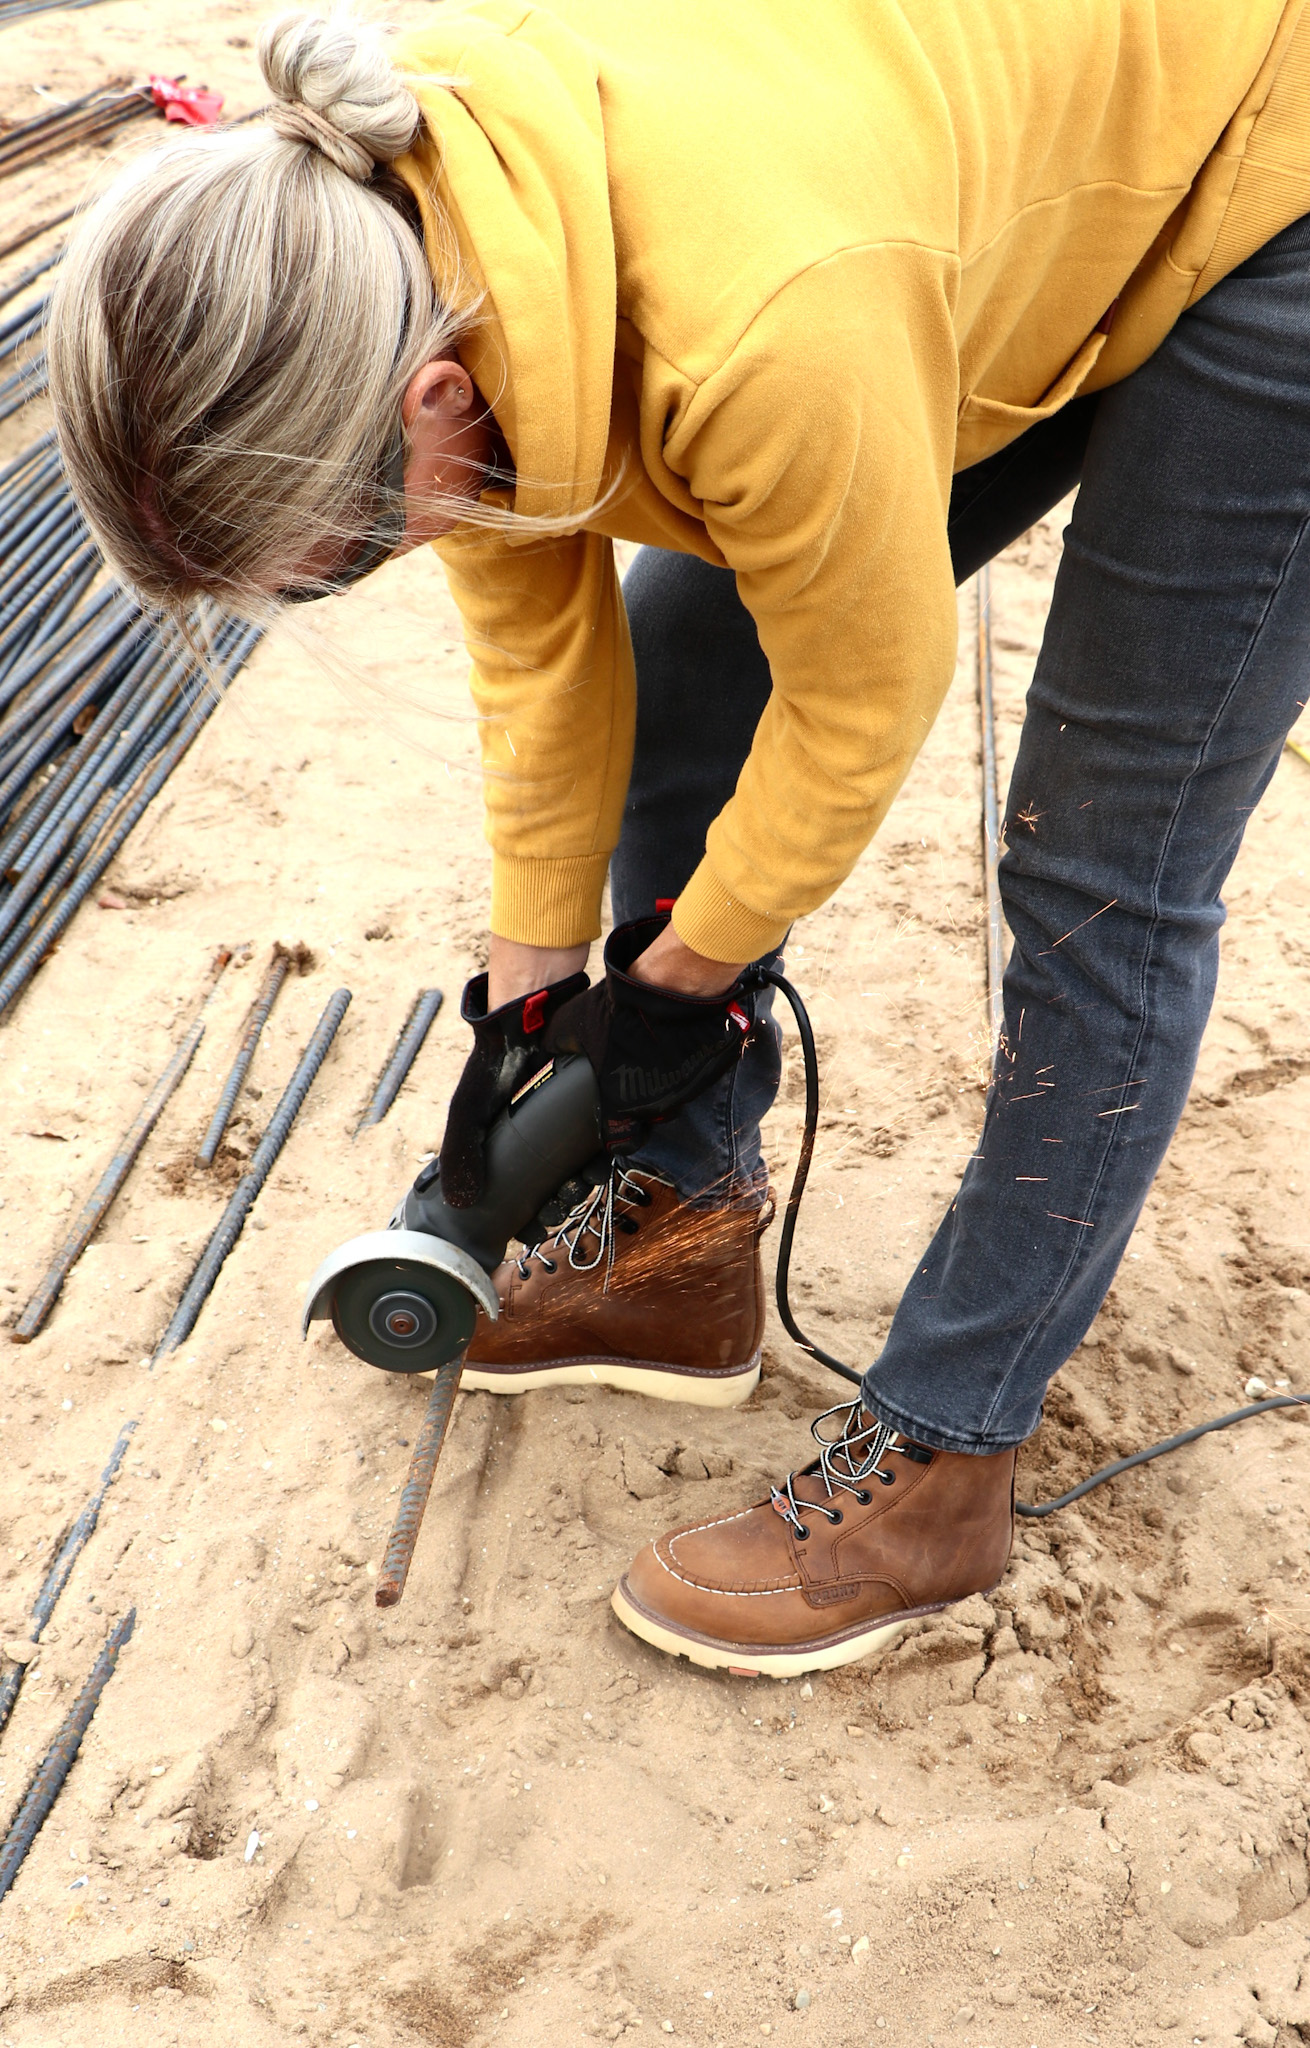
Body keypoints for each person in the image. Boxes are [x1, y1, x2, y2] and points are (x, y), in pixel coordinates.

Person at [47, 0, 1310, 1677]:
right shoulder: (412, 260)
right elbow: (544, 668)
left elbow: (861, 696)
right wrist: (528, 1004)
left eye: (345, 556)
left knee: (1099, 864)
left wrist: (672, 988)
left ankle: (941, 1464)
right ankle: (675, 1242)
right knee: (677, 683)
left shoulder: (756, 334)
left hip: (1259, 173)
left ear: (429, 395)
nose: (371, 569)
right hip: (994, 195)